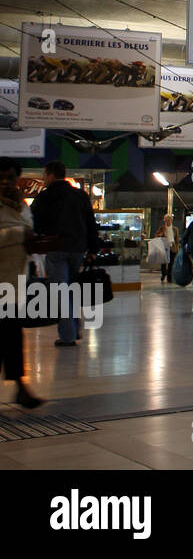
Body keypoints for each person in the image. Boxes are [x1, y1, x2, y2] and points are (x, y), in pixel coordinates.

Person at [30, 161, 96, 347]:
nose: (43, 179)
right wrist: (93, 249)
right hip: (78, 248)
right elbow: (90, 222)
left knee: (60, 291)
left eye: (44, 175)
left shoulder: (46, 196)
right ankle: (75, 327)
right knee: (71, 288)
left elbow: (35, 223)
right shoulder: (79, 195)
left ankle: (68, 335)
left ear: (50, 175)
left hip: (56, 247)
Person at [0, 157, 43, 408]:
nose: (6, 182)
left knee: (12, 335)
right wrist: (19, 234)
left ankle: (20, 388)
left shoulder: (21, 205)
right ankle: (20, 388)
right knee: (9, 334)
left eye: (10, 177)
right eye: (1, 177)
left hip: (15, 281)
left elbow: (28, 230)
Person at [155, 213, 178, 283]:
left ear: (171, 220)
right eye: (166, 220)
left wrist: (177, 247)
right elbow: (156, 236)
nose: (168, 221)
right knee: (163, 263)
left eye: (169, 220)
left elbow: (176, 239)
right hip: (164, 248)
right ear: (164, 221)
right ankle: (163, 274)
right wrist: (160, 235)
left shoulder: (175, 229)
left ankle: (169, 277)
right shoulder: (162, 228)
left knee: (171, 263)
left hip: (172, 247)